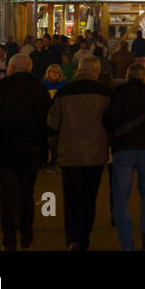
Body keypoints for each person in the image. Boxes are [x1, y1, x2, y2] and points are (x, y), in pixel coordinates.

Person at [0, 53, 51, 250]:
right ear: (29, 69)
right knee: (27, 192)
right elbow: (47, 123)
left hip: (4, 149)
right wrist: (46, 149)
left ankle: (8, 238)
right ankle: (26, 234)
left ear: (10, 68)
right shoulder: (40, 90)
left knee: (6, 195)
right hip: (31, 149)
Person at [47, 54, 111, 250]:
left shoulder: (64, 92)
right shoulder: (105, 93)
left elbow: (52, 125)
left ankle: (72, 238)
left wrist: (55, 149)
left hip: (69, 153)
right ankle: (83, 238)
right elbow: (111, 123)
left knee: (71, 198)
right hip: (95, 154)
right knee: (89, 198)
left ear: (78, 70)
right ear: (96, 71)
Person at [106, 62, 145, 250]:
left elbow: (109, 119)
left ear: (127, 76)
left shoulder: (118, 93)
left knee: (121, 197)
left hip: (123, 149)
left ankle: (127, 244)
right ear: (144, 77)